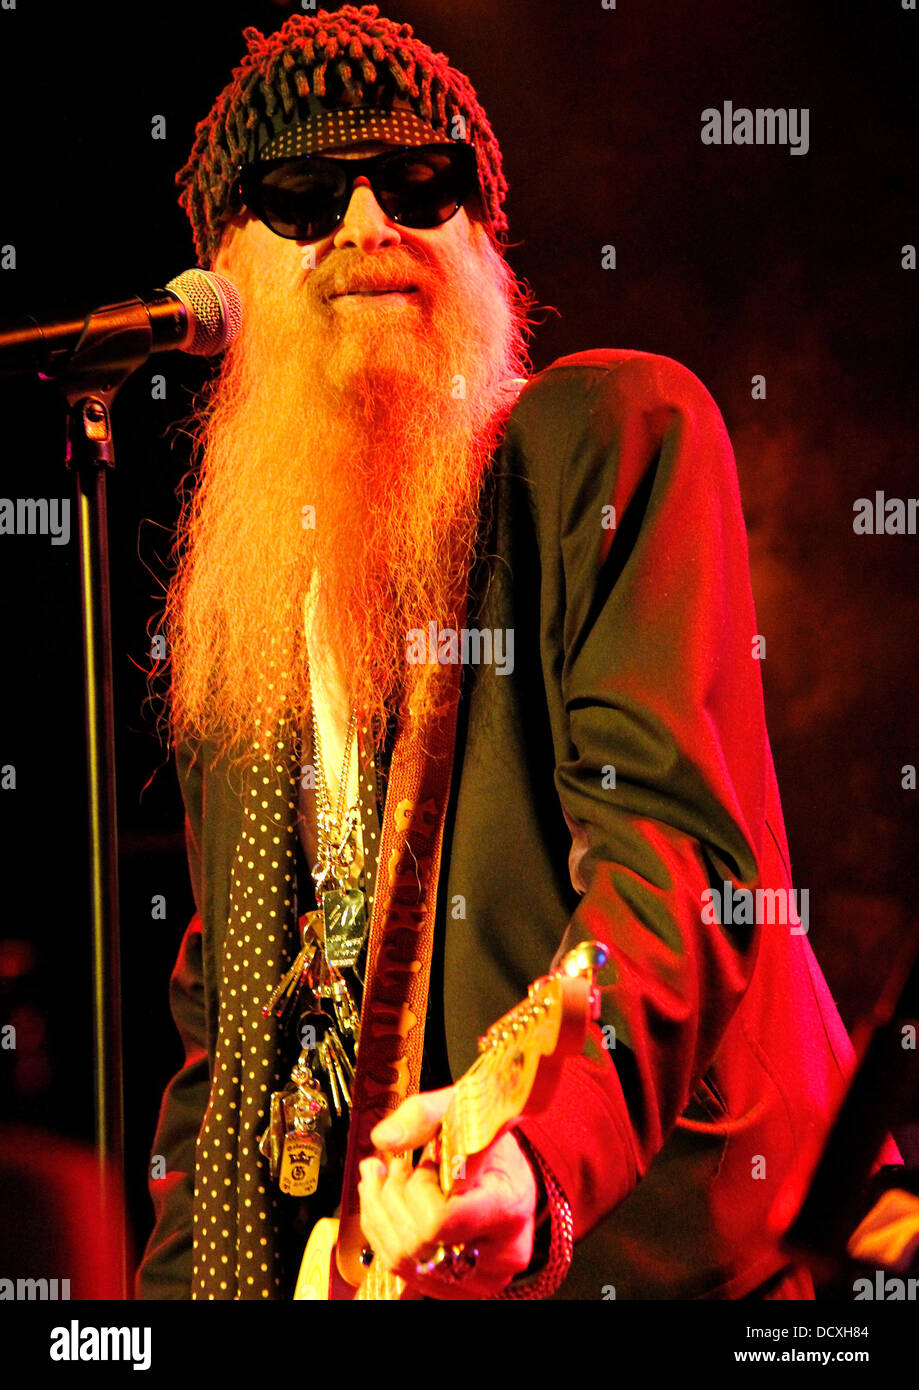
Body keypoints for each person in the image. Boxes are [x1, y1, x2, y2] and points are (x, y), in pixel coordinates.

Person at [137, 4, 877, 1301]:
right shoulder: (243, 630)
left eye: (425, 187)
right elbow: (226, 1062)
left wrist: (534, 1150)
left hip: (676, 1265)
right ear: (222, 278)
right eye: (307, 196)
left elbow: (671, 871)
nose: (373, 224)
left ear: (483, 241)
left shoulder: (603, 436)